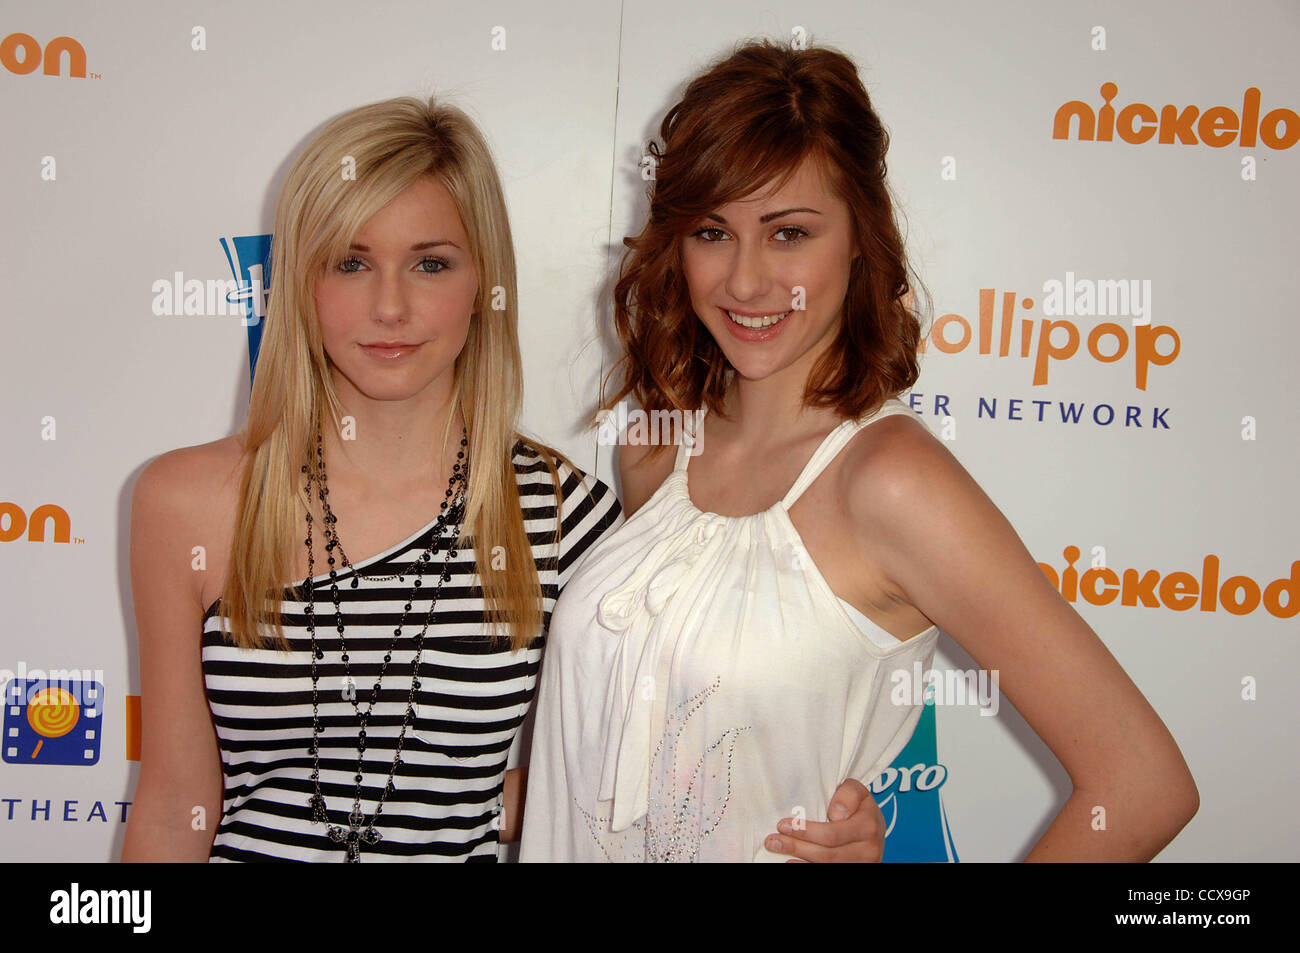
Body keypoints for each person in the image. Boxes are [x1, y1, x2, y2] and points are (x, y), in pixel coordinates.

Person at [121, 94, 881, 862]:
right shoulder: (186, 504)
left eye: (430, 263)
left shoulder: (564, 519)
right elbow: (174, 801)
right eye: (350, 262)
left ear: (484, 280)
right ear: (299, 280)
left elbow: (652, 769)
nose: (390, 306)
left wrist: (820, 816)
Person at [519, 40, 1199, 862]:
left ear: (857, 240)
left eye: (788, 232)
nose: (744, 281)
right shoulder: (655, 449)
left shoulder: (892, 482)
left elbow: (1140, 783)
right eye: (712, 231)